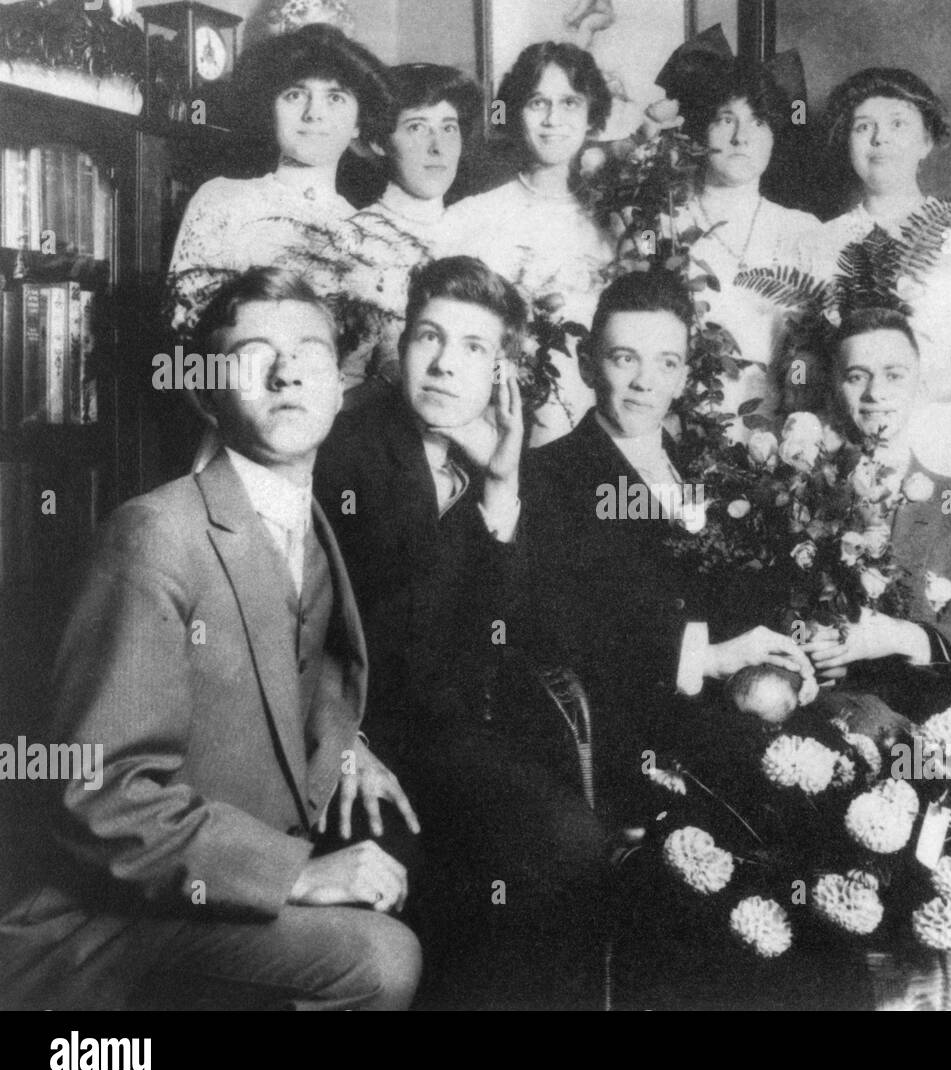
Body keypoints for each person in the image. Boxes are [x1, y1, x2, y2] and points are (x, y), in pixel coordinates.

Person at [0, 269, 422, 1011]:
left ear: (345, 383)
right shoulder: (156, 535)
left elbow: (288, 653)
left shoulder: (308, 526)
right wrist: (294, 874)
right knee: (377, 960)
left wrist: (343, 738)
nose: (288, 370)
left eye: (311, 352)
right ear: (205, 391)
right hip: (105, 932)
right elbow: (95, 794)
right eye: (254, 351)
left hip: (209, 896)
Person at [313, 256, 607, 1009]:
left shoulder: (493, 460)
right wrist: (344, 741)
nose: (445, 363)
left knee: (568, 842)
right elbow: (299, 625)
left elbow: (520, 639)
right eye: (428, 337)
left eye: (474, 347)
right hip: (352, 740)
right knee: (437, 885)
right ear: (400, 348)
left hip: (444, 737)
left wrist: (503, 489)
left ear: (501, 369)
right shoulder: (347, 448)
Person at [525, 270, 818, 820]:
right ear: (589, 365)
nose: (644, 382)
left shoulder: (705, 472)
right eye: (623, 358)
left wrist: (781, 651)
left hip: (733, 709)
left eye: (665, 363)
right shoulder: (546, 478)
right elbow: (558, 631)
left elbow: (731, 594)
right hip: (632, 734)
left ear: (684, 376)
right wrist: (704, 658)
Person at [810, 68, 951, 499]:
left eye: (898, 124)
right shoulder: (819, 241)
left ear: (926, 142)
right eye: (863, 127)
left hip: (943, 436)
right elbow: (799, 363)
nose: (880, 138)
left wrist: (916, 389)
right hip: (846, 437)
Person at [799, 307, 951, 720]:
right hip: (828, 718)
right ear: (834, 389)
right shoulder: (799, 497)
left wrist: (898, 638)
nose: (876, 393)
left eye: (894, 375)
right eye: (857, 376)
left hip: (940, 718)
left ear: (917, 383)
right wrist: (814, 651)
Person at [436, 41, 617, 446]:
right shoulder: (468, 218)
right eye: (537, 103)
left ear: (592, 117)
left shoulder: (619, 223)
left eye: (570, 103)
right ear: (516, 112)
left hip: (597, 436)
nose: (553, 119)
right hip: (489, 433)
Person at [167, 24, 392, 336]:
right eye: (295, 94)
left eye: (335, 98)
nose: (314, 113)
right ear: (269, 109)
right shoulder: (223, 200)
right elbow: (188, 334)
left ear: (358, 122)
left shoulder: (371, 231)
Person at [657, 53, 821, 437]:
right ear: (701, 127)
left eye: (758, 122)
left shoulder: (803, 231)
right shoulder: (663, 221)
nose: (741, 137)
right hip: (675, 428)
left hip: (778, 436)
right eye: (726, 119)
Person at [343, 63, 483, 396]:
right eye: (418, 127)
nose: (438, 147)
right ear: (379, 142)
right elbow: (344, 381)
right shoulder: (355, 240)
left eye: (449, 128)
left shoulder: (481, 229)